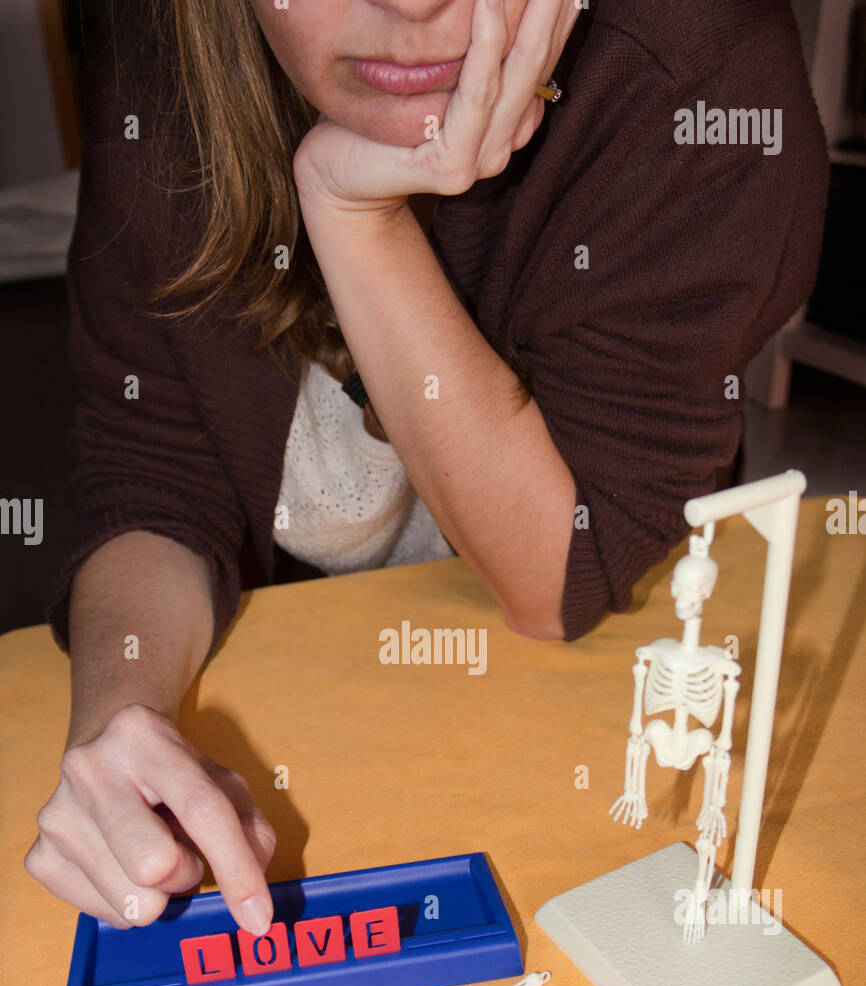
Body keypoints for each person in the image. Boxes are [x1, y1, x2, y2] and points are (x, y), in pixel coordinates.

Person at [25, 0, 829, 938]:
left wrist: (349, 209)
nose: (412, 3)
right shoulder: (161, 43)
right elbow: (151, 470)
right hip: (314, 688)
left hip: (573, 692)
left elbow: (559, 571)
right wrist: (121, 727)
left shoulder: (704, 70)